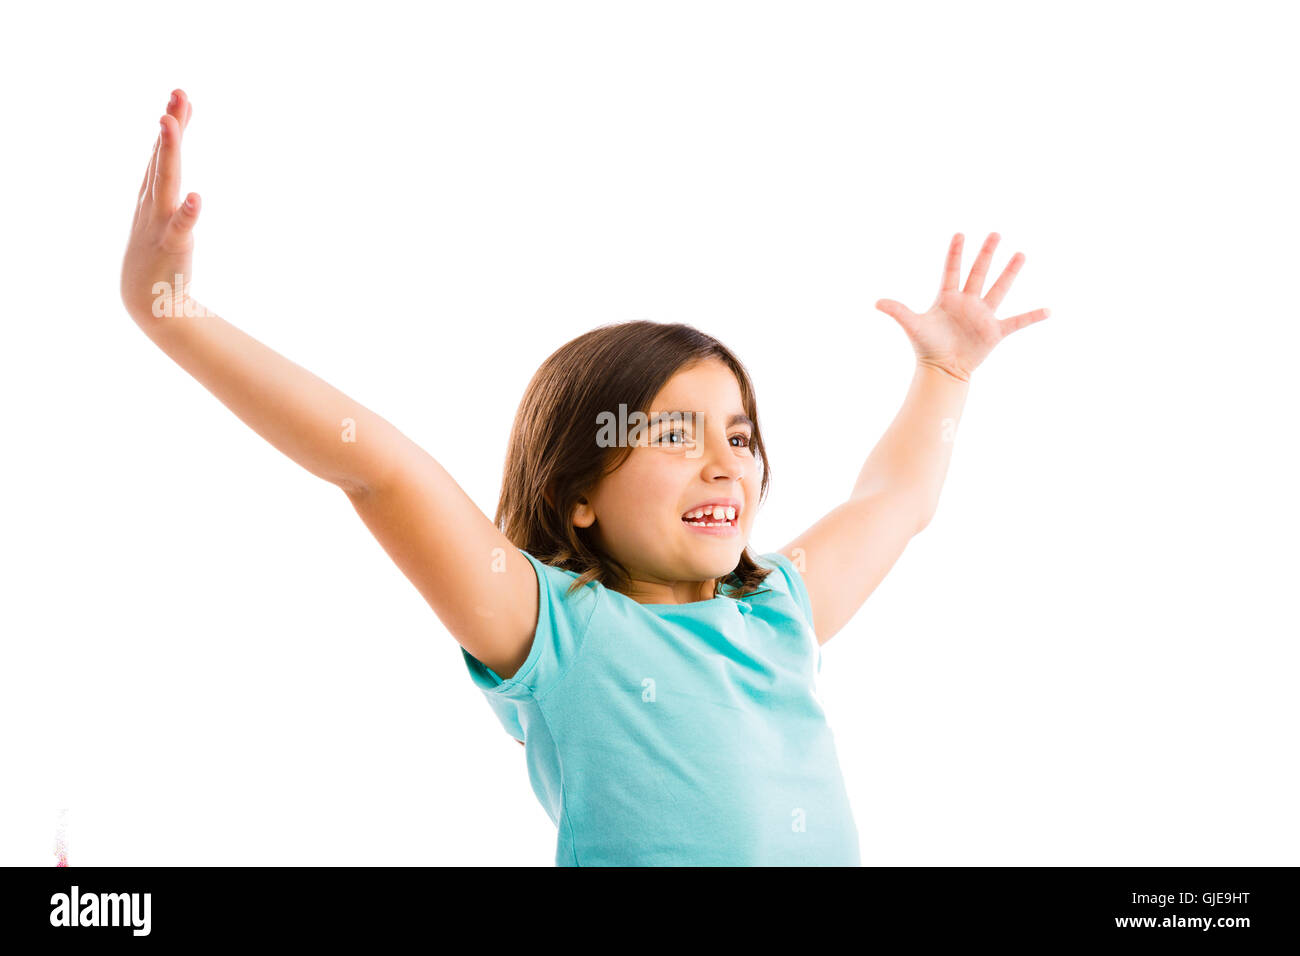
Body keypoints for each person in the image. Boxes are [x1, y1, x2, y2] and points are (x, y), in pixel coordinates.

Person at [120, 88, 1052, 866]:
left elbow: (894, 502)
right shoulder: (554, 629)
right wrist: (171, 315)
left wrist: (945, 375)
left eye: (739, 434)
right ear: (579, 492)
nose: (726, 460)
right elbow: (379, 470)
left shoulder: (780, 609)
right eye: (676, 435)